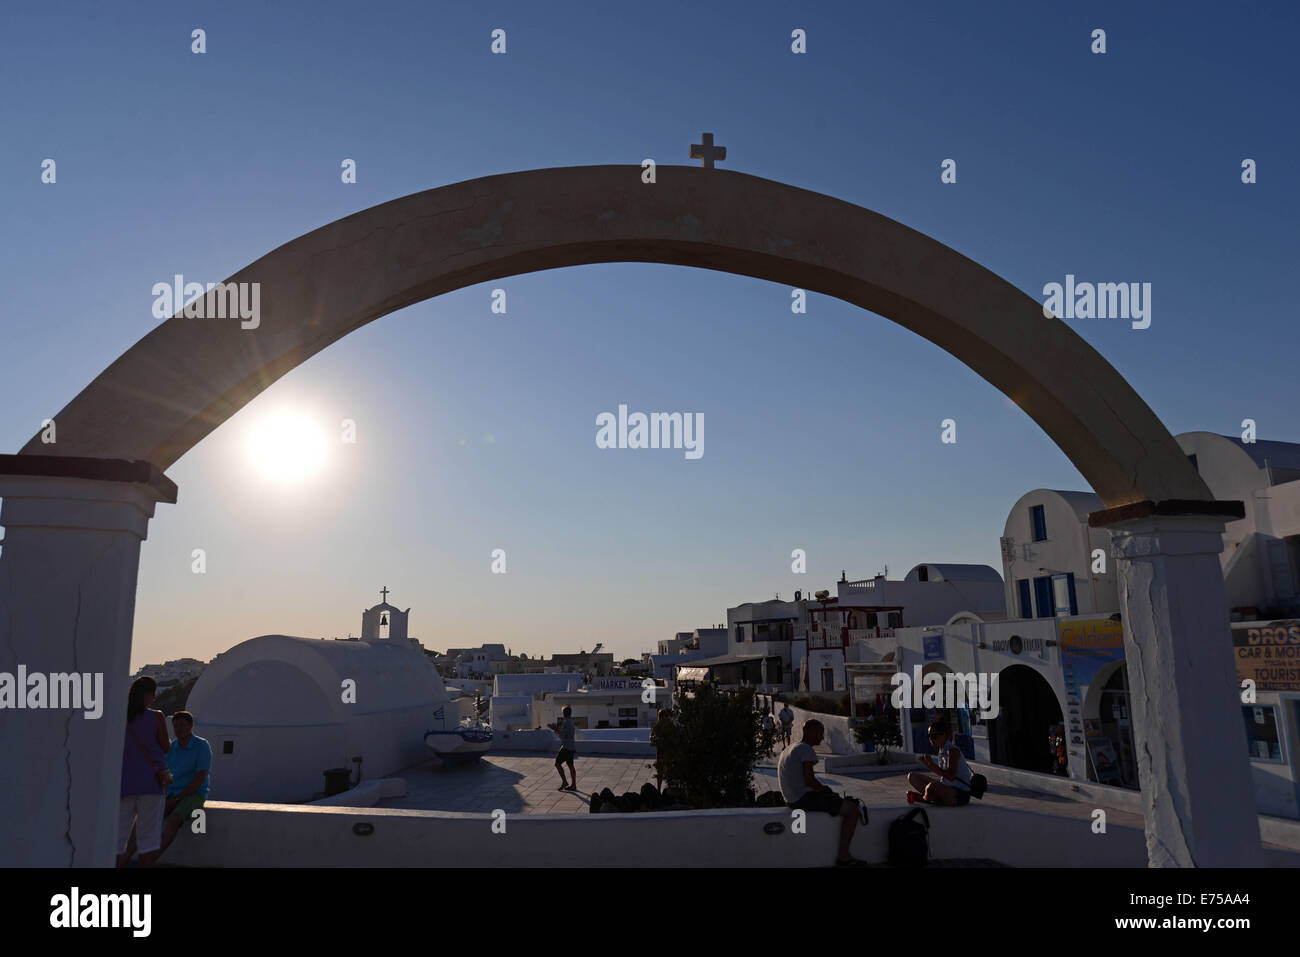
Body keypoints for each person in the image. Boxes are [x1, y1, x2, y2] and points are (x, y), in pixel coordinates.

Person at [776, 719, 867, 866]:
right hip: (803, 799)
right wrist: (826, 790)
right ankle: (844, 857)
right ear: (812, 733)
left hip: (790, 799)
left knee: (836, 800)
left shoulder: (790, 748)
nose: (822, 737)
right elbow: (809, 780)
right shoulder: (806, 749)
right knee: (853, 811)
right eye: (820, 733)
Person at [117, 676, 171, 867]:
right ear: (148, 695)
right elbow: (165, 746)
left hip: (123, 783)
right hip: (151, 783)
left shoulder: (120, 717)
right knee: (148, 841)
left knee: (118, 840)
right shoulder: (156, 716)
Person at [158, 711, 212, 856]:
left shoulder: (201, 746)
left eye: (182, 725)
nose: (178, 729)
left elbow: (200, 778)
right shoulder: (171, 748)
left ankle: (152, 858)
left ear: (191, 726)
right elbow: (165, 774)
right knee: (151, 818)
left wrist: (176, 799)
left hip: (194, 794)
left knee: (174, 819)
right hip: (172, 792)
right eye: (175, 725)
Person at [906, 716, 972, 806]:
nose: (931, 739)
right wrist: (928, 764)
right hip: (946, 787)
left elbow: (951, 776)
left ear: (944, 735)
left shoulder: (952, 751)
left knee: (931, 787)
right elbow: (943, 776)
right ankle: (932, 798)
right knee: (912, 776)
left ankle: (921, 798)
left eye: (934, 736)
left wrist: (931, 764)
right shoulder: (941, 751)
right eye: (929, 736)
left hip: (959, 794)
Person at [555, 705, 578, 791]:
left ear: (564, 713)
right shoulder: (571, 721)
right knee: (571, 766)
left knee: (557, 764)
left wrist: (555, 729)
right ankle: (573, 785)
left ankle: (565, 782)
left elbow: (562, 736)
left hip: (566, 747)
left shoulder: (566, 722)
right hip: (571, 746)